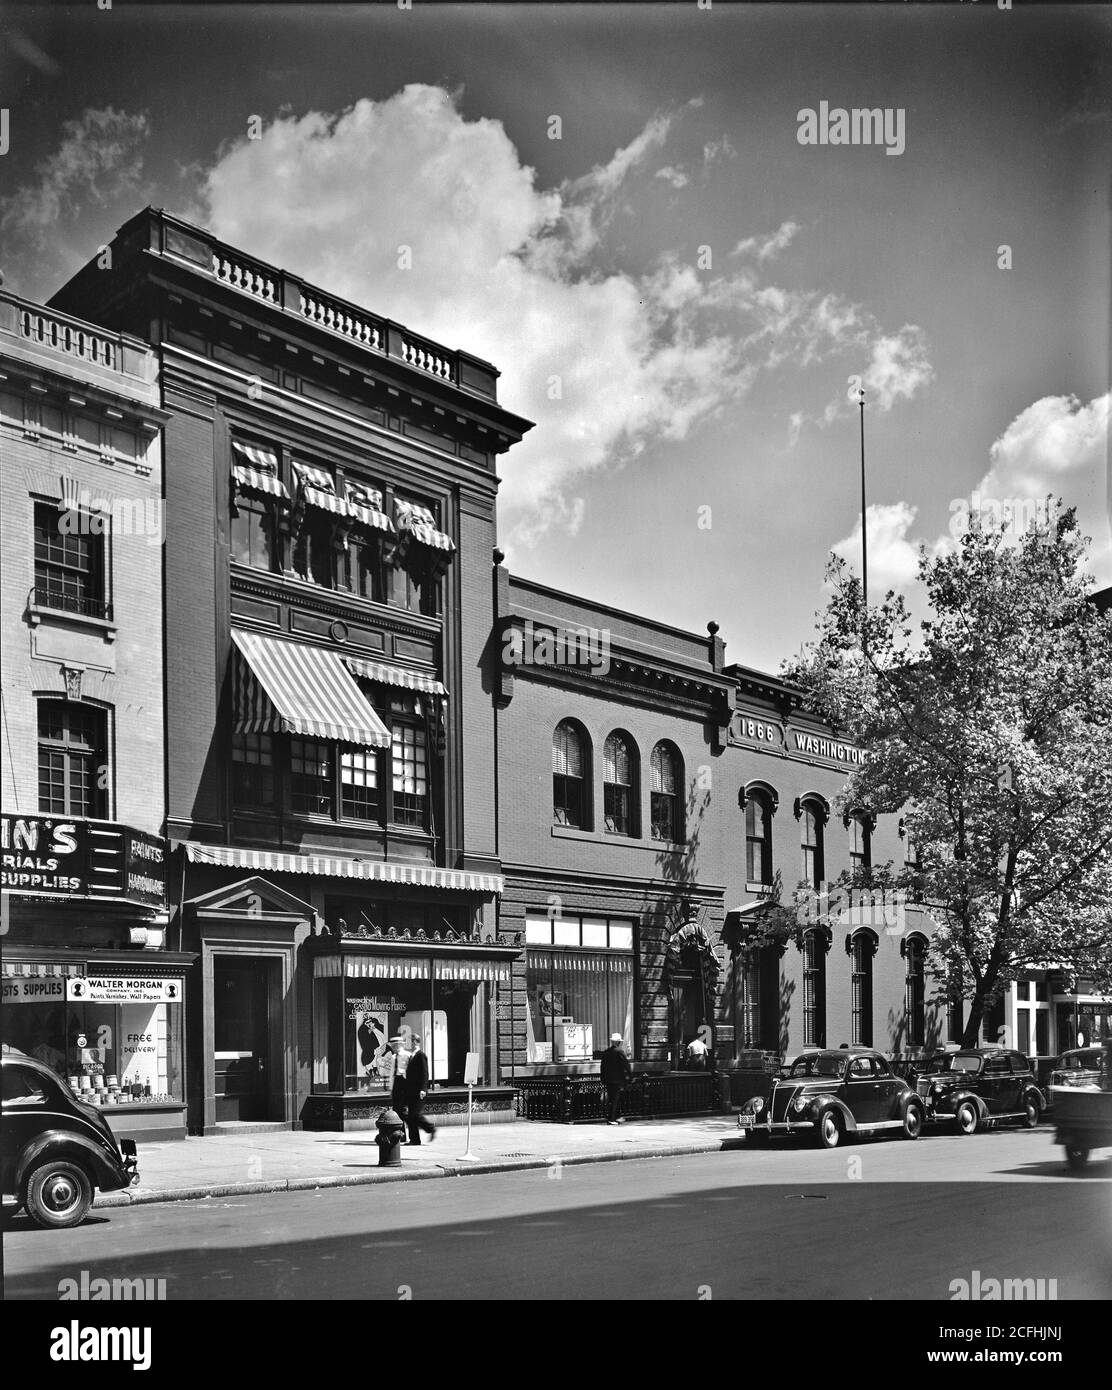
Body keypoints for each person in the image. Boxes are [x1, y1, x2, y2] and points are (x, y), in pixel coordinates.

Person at [403, 1041, 437, 1145]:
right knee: (410, 1116)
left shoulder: (421, 1055)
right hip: (411, 1091)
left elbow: (424, 1072)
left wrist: (423, 1089)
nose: (411, 1044)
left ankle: (431, 1129)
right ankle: (415, 1139)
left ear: (416, 1042)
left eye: (412, 1041)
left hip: (418, 1091)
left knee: (415, 1115)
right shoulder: (411, 1056)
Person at [600, 1032, 632, 1125]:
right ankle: (612, 1119)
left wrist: (603, 1078)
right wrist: (630, 1076)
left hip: (607, 1079)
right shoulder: (619, 1052)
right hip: (617, 1079)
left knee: (612, 1099)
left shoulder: (606, 1052)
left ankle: (617, 1117)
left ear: (612, 1042)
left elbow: (602, 1067)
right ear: (618, 1042)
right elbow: (626, 1065)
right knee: (615, 1100)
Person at [385, 1035, 411, 1128]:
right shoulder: (393, 1057)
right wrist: (391, 1089)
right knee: (396, 1110)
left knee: (403, 1110)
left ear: (399, 1045)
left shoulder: (407, 1055)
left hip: (404, 1083)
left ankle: (412, 1125)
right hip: (396, 1083)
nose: (393, 1048)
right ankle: (400, 1133)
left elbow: (412, 1071)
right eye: (392, 1046)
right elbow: (392, 1074)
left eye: (394, 1045)